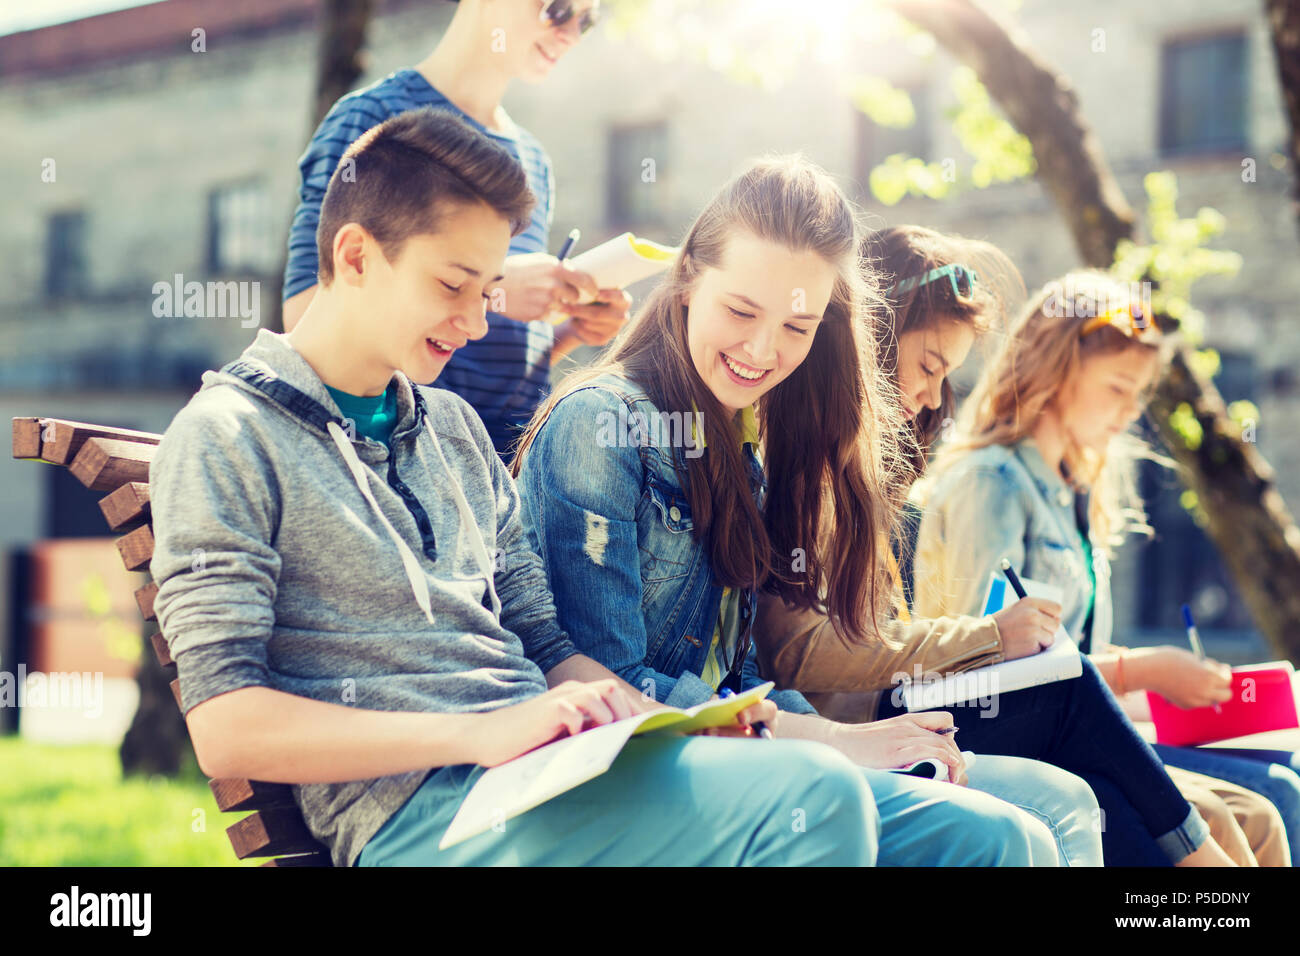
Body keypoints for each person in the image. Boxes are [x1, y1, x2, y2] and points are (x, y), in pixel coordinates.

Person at [150, 109, 886, 868]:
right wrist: (480, 732)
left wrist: (656, 722)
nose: (476, 323)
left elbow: (546, 643)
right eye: (453, 286)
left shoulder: (453, 429)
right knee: (813, 795)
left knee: (981, 831)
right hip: (426, 815)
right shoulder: (228, 437)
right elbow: (226, 726)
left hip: (545, 774)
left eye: (491, 291)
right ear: (357, 255)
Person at [513, 159, 1099, 866]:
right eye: (740, 311)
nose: (764, 350)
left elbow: (745, 683)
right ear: (690, 278)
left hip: (739, 754)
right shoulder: (601, 425)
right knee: (997, 833)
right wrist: (835, 742)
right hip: (636, 775)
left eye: (798, 325)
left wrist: (846, 739)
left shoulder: (745, 444)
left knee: (1035, 818)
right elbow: (612, 686)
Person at [754, 229, 1264, 866]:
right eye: (930, 367)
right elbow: (808, 653)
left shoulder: (864, 477)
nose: (935, 398)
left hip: (916, 707)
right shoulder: (817, 472)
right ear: (869, 342)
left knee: (1245, 804)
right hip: (866, 722)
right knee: (1165, 781)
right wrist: (994, 637)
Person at [912, 267, 1297, 865]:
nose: (1129, 412)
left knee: (1265, 802)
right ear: (1056, 369)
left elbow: (1073, 656)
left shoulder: (1077, 491)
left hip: (1089, 737)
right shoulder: (990, 484)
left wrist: (1175, 684)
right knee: (1237, 813)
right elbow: (972, 666)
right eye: (1117, 388)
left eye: (1138, 395)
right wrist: (1146, 671)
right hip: (1016, 746)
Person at [282, 0, 630, 457]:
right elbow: (308, 313)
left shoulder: (534, 160)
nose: (570, 34)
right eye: (558, 8)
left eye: (587, 20)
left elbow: (495, 361)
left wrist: (570, 331)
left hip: (508, 470)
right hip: (405, 462)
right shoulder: (372, 120)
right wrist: (498, 287)